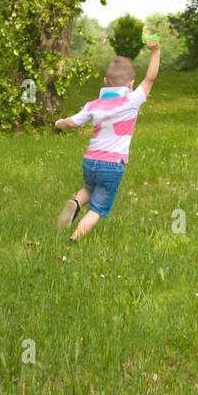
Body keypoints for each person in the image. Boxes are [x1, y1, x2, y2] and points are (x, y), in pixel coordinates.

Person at [53, 39, 160, 243]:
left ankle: (75, 204)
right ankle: (73, 240)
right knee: (98, 208)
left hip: (90, 161)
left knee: (89, 188)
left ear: (104, 81)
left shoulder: (93, 105)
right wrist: (155, 52)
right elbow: (150, 78)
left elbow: (71, 123)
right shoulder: (131, 100)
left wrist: (58, 123)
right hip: (112, 165)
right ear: (130, 84)